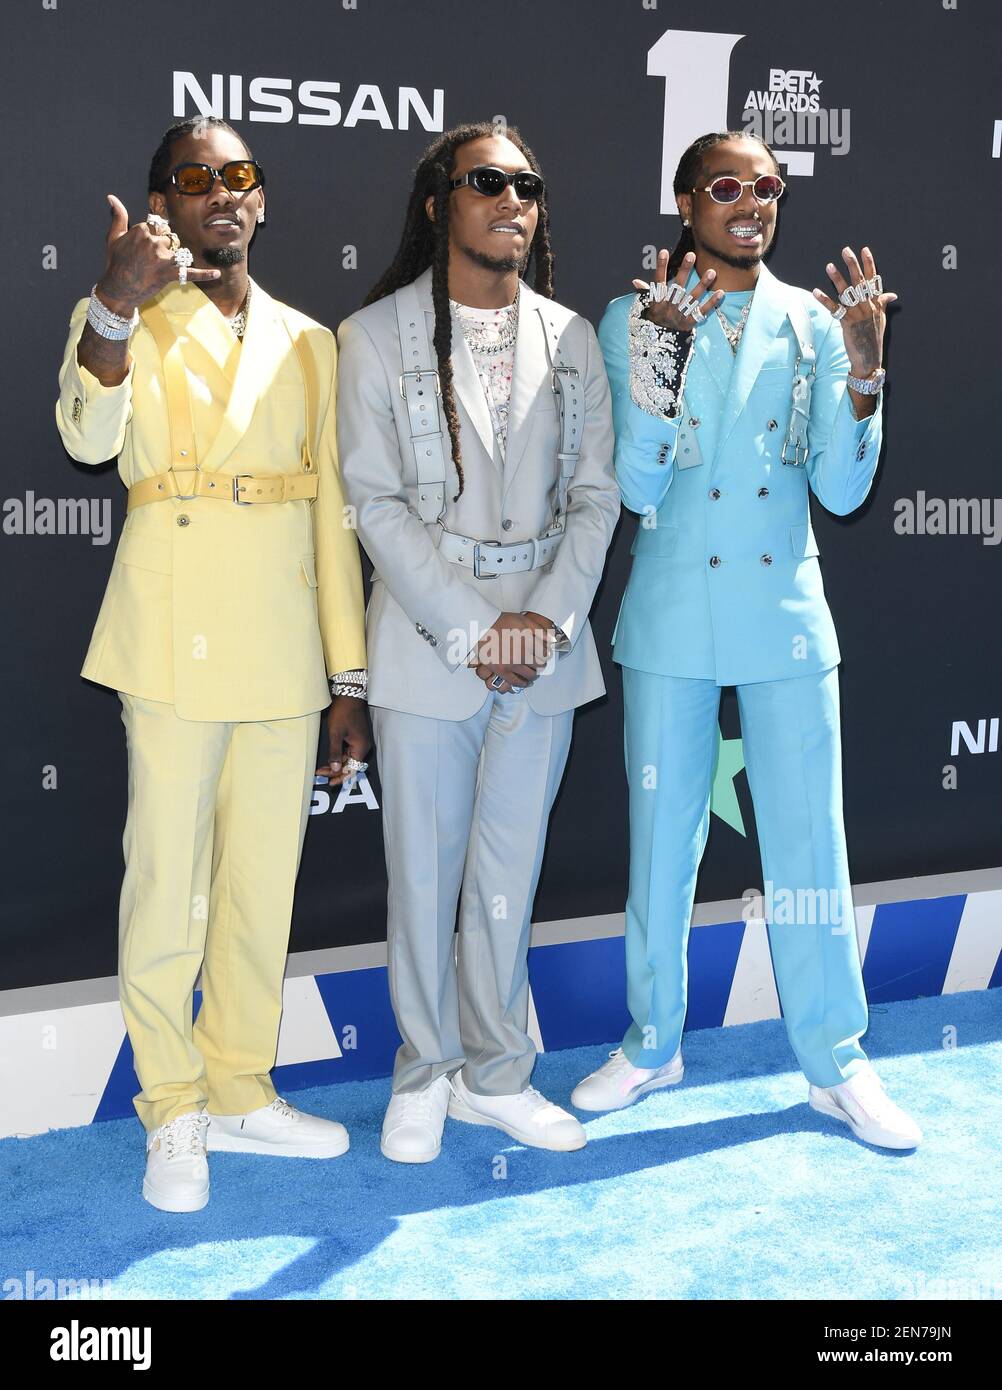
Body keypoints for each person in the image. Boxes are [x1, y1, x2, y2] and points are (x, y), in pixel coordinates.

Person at [571, 130, 922, 1150]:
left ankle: (835, 1062)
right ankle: (652, 1041)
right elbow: (636, 489)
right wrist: (656, 370)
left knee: (811, 843)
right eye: (727, 184)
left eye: (767, 186)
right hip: (674, 617)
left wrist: (865, 380)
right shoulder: (632, 318)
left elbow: (843, 491)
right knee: (660, 845)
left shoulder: (815, 324)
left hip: (783, 618)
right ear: (685, 201)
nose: (752, 200)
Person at [55, 116, 370, 1211]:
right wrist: (110, 303)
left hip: (285, 650)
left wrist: (350, 674)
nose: (220, 193)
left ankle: (239, 1083)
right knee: (168, 893)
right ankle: (173, 1108)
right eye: (195, 178)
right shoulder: (122, 316)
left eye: (238, 175)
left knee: (256, 890)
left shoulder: (310, 340)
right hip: (175, 636)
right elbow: (88, 439)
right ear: (162, 204)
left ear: (262, 200)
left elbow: (333, 517)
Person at [336, 122, 619, 1162]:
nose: (511, 199)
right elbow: (375, 506)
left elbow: (596, 497)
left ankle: (497, 1074)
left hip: (544, 647)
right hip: (427, 645)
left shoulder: (574, 336)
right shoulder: (370, 338)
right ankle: (425, 1072)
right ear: (437, 203)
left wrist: (540, 623)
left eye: (527, 185)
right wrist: (473, 627)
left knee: (510, 870)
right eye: (487, 181)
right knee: (424, 874)